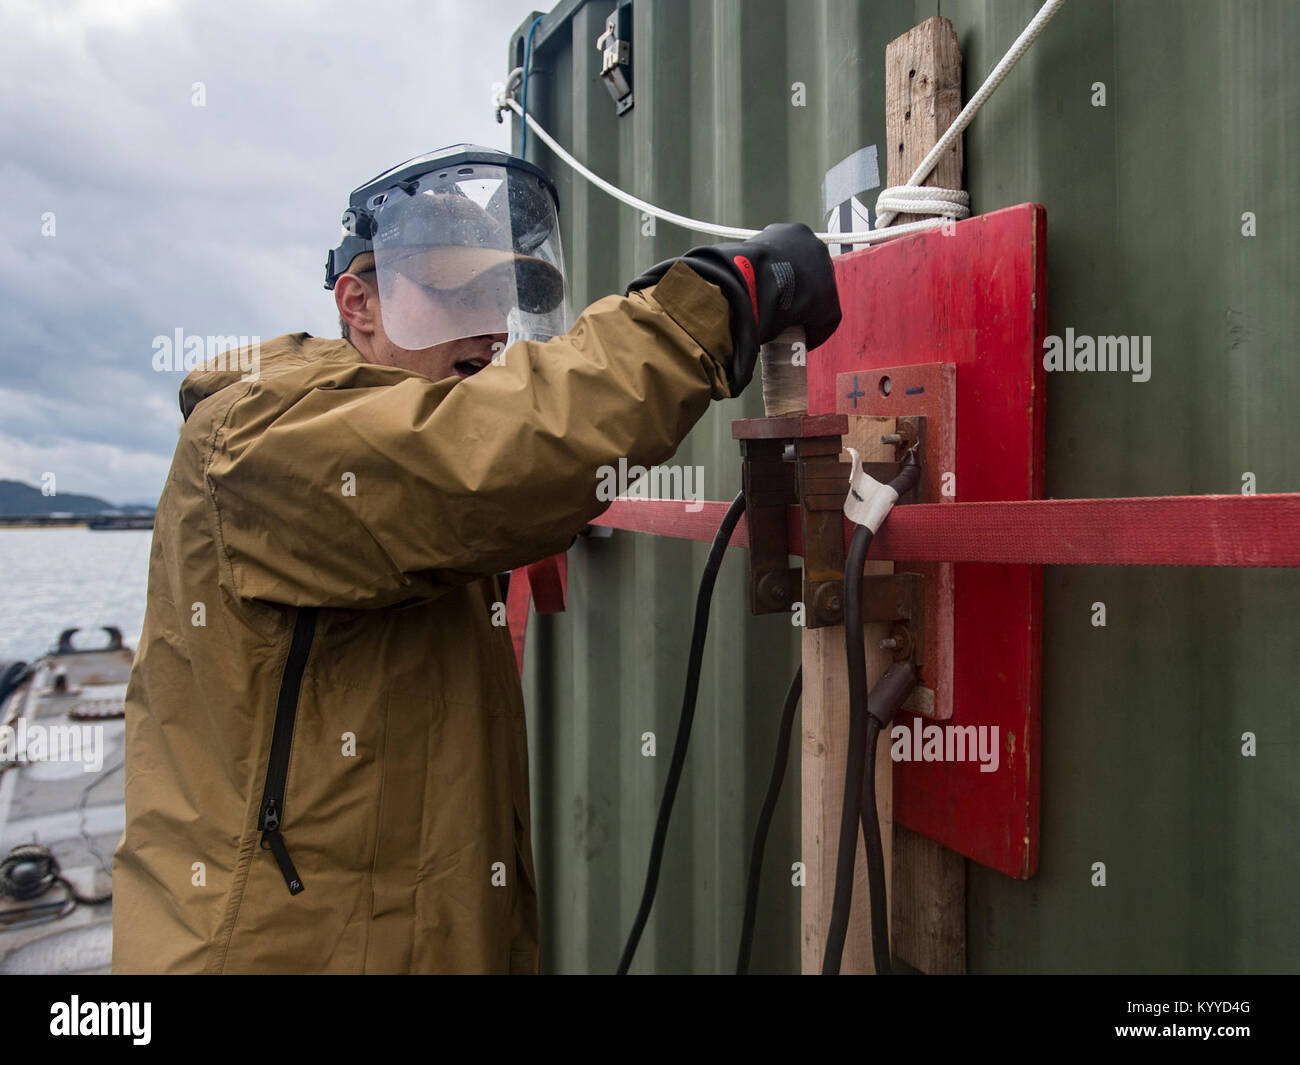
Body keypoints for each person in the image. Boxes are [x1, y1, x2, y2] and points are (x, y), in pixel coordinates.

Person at [111, 143, 841, 973]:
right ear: (359, 303)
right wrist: (714, 305)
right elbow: (487, 461)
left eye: (498, 298)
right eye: (452, 294)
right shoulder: (259, 436)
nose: (488, 328)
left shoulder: (389, 439)